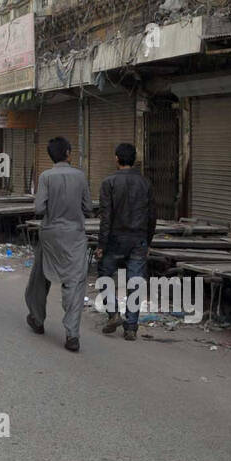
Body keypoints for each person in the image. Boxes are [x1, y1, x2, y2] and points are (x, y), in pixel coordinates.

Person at [25, 136, 93, 352]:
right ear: (68, 153)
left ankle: (37, 318)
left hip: (50, 233)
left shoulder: (45, 177)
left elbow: (39, 209)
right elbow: (88, 207)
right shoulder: (80, 177)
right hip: (74, 235)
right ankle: (72, 334)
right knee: (74, 282)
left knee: (40, 276)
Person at [97, 143, 156, 341]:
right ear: (134, 160)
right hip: (138, 239)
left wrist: (101, 245)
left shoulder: (109, 182)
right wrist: (148, 242)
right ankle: (131, 327)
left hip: (115, 238)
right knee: (136, 281)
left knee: (105, 273)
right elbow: (152, 217)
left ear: (116, 159)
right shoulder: (145, 183)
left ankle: (113, 314)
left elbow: (106, 217)